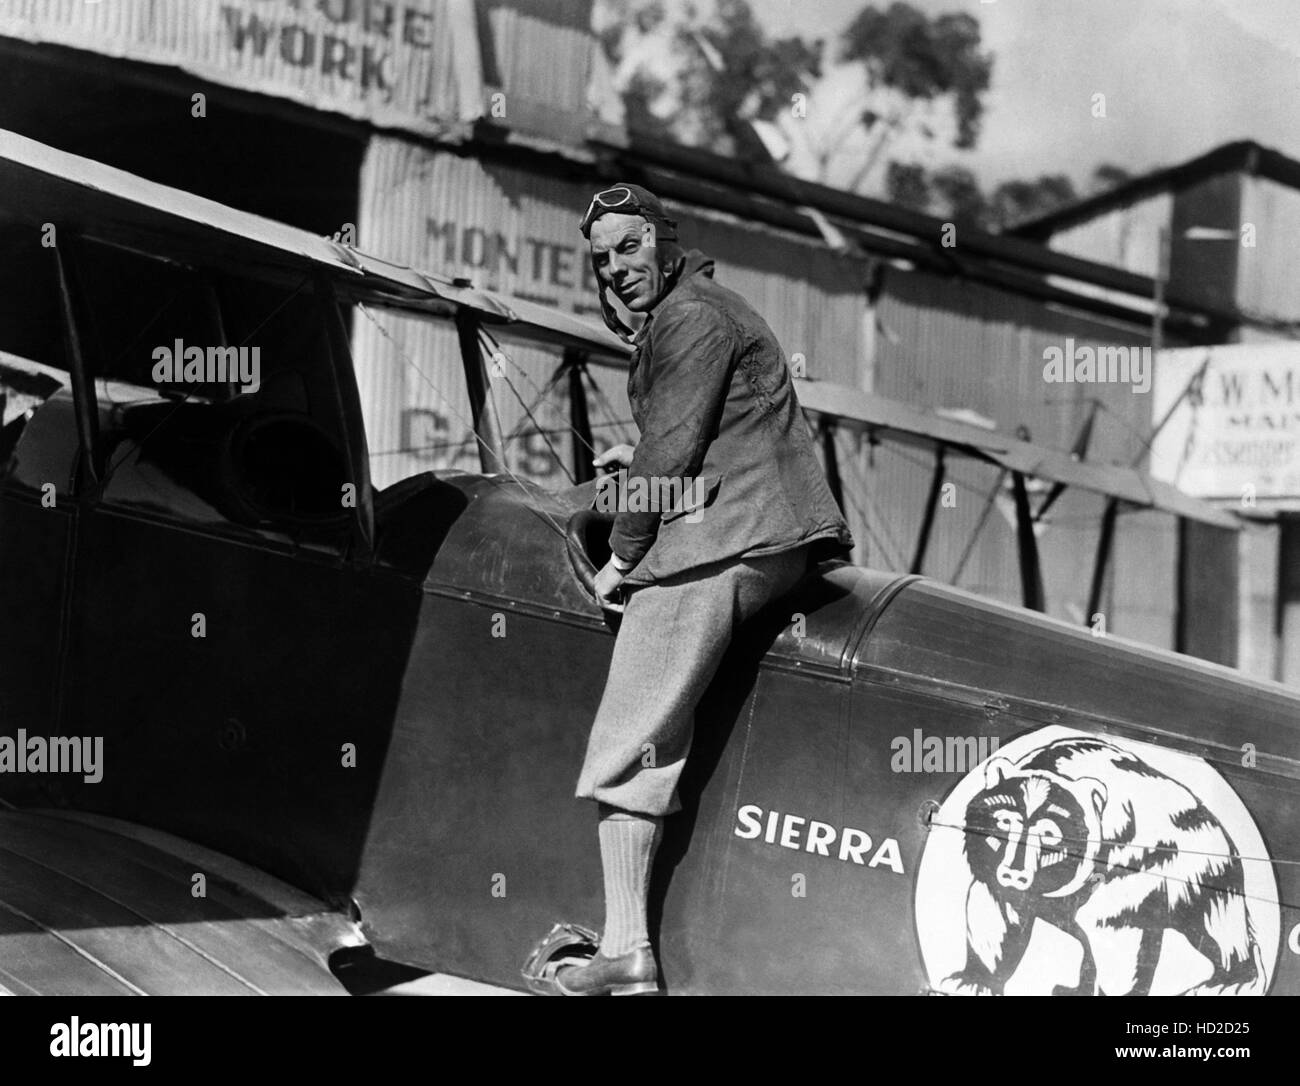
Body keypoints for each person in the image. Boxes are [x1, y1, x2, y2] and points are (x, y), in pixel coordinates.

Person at [556, 183, 853, 996]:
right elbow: (697, 437)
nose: (616, 269)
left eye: (629, 247)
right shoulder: (708, 306)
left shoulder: (689, 318)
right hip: (770, 532)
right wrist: (640, 461)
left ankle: (626, 954)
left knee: (627, 739)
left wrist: (621, 557)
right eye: (603, 258)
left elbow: (673, 459)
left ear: (663, 240)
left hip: (730, 539)